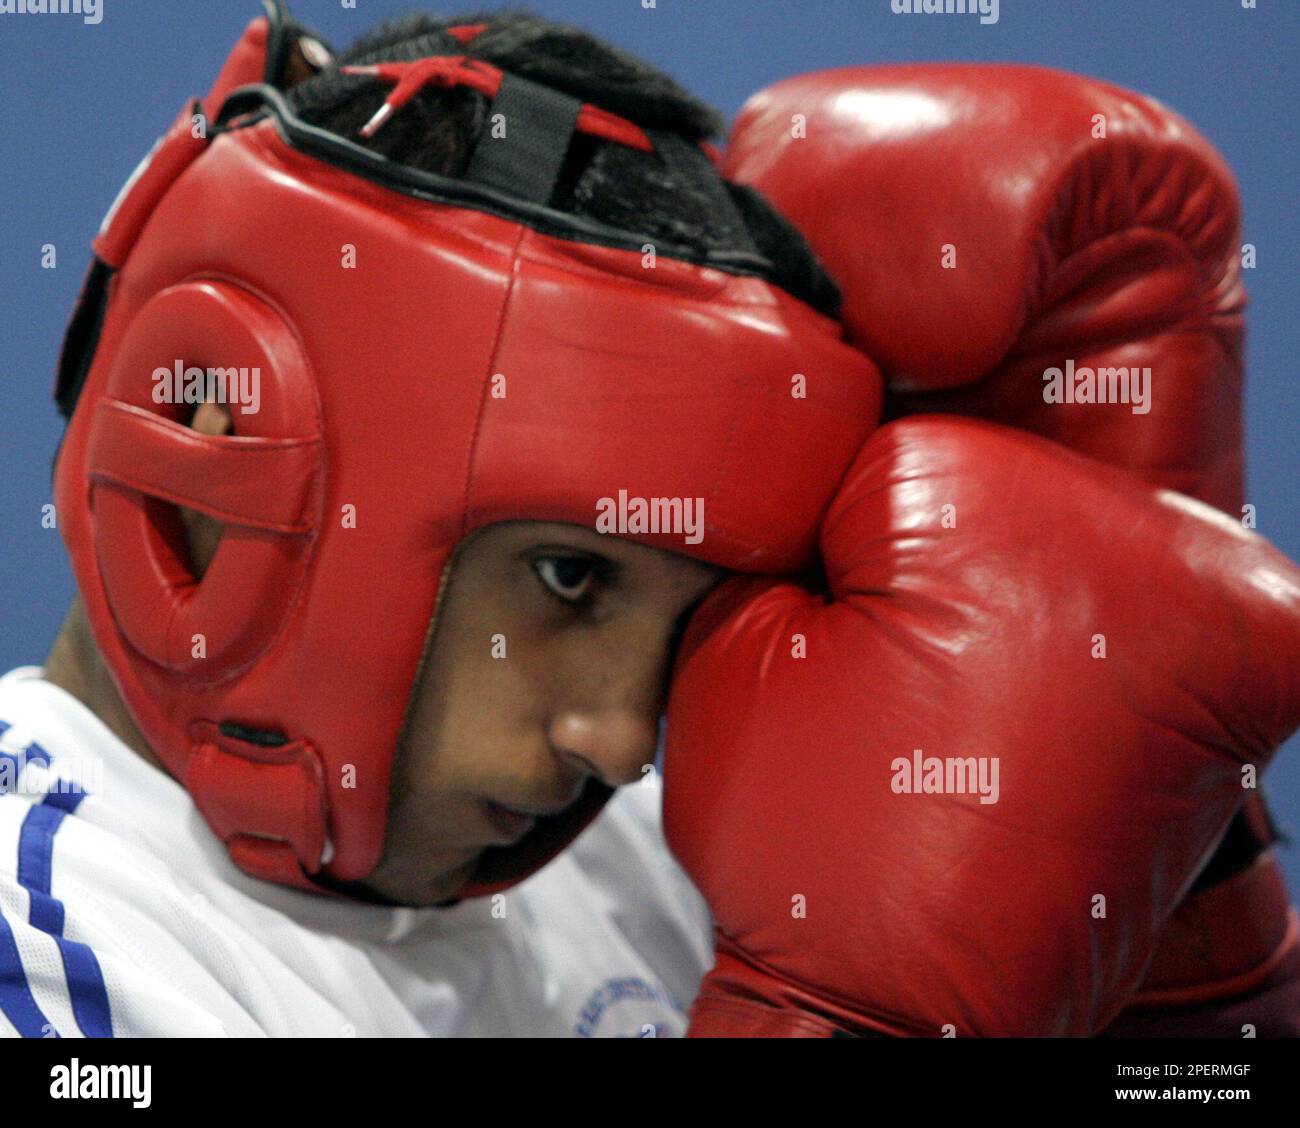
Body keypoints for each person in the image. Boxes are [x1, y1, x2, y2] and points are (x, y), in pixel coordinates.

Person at [4, 2, 1300, 1039]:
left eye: (689, 618)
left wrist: (1175, 899)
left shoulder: (650, 862)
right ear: (224, 437)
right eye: (570, 577)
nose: (623, 741)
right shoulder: (54, 945)